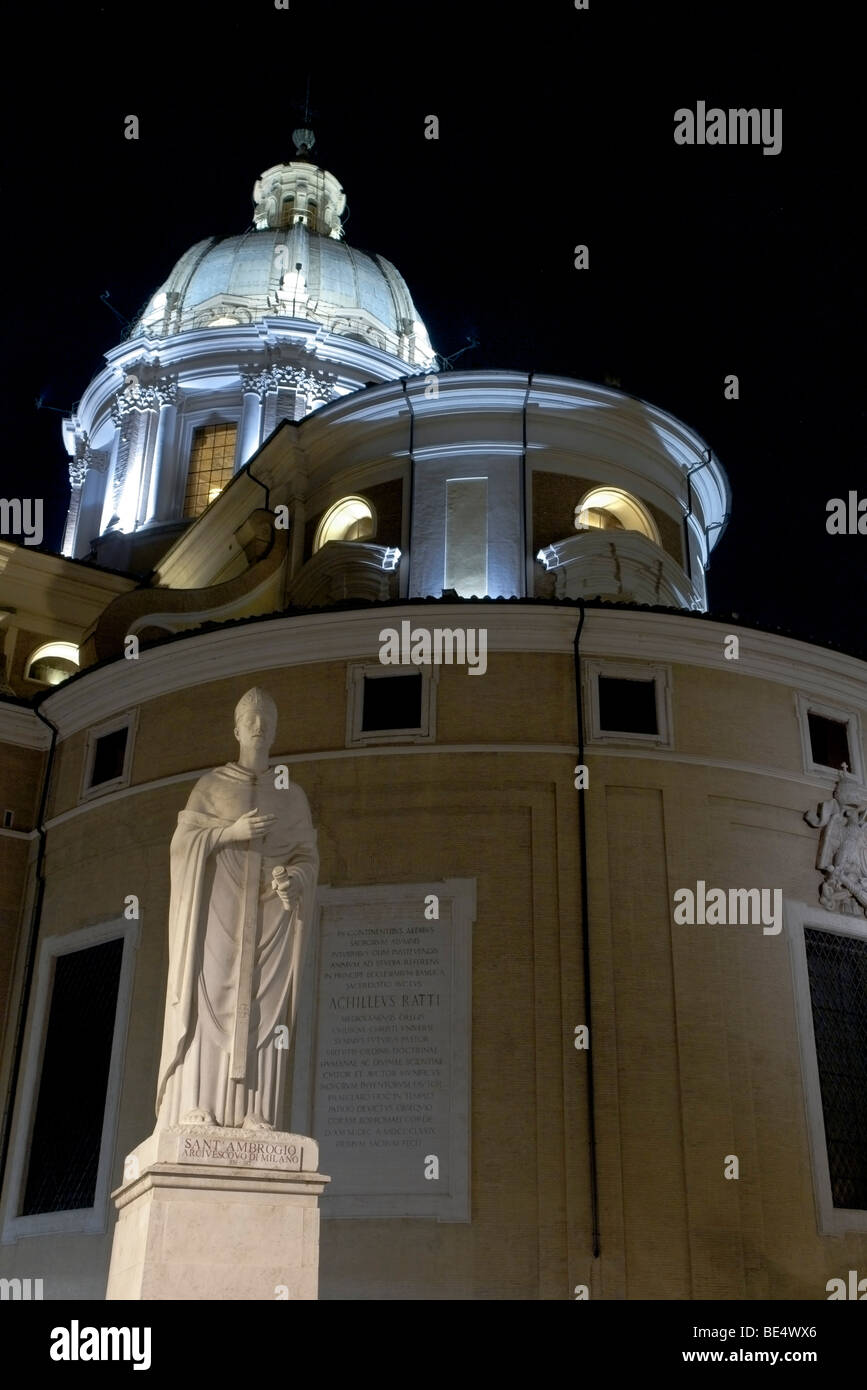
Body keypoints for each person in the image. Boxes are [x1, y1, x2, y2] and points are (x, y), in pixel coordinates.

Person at [155, 687, 319, 1130]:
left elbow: (307, 855)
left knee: (264, 1010)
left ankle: (255, 1111)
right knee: (209, 997)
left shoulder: (292, 795)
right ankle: (198, 1104)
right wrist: (231, 833)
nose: (260, 725)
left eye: (267, 717)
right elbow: (183, 845)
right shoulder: (210, 786)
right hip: (217, 916)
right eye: (251, 717)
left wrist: (293, 880)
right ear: (236, 728)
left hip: (270, 920)